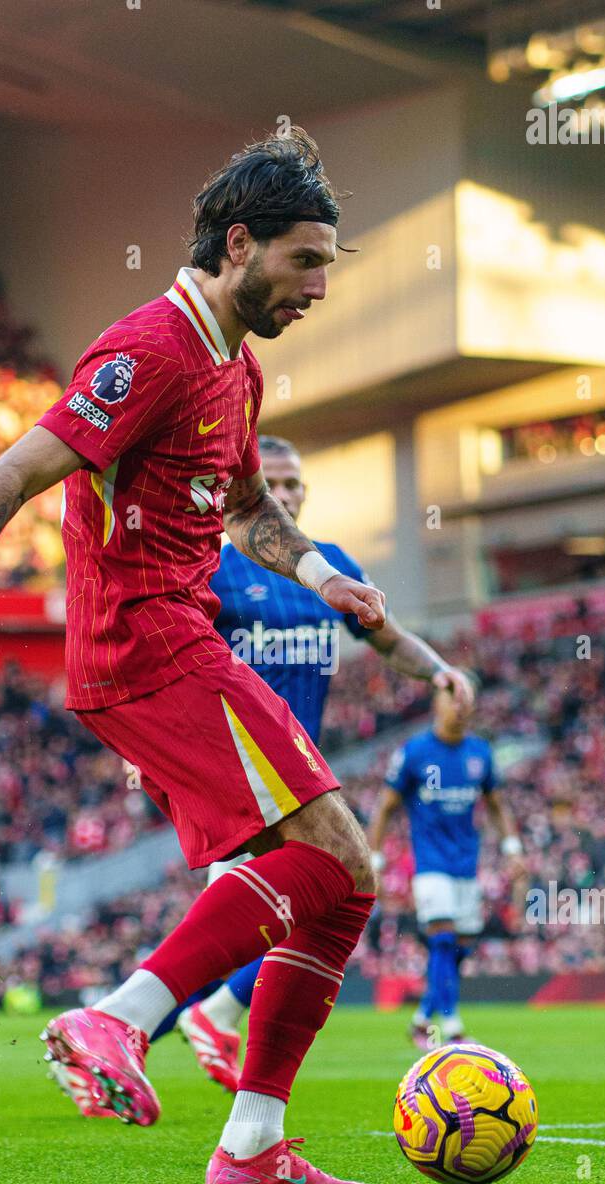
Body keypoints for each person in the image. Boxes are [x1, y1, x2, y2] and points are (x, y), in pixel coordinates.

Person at [0, 127, 392, 1184]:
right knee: (335, 851)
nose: (317, 289)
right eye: (304, 262)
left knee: (345, 880)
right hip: (145, 643)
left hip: (179, 638)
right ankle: (118, 1019)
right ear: (239, 244)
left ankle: (251, 1144)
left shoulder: (234, 368)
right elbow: (17, 469)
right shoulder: (149, 350)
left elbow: (248, 516)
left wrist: (320, 578)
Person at [163, 434, 473, 1089]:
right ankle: (191, 1017)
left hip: (301, 773)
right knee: (324, 892)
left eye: (295, 482)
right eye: (270, 482)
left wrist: (441, 669)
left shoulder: (329, 567)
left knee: (254, 924)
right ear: (239, 494)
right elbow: (172, 660)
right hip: (237, 767)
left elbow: (387, 638)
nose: (286, 494)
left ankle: (126, 1022)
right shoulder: (212, 569)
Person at [367, 678, 525, 1046]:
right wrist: (374, 860)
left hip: (466, 865)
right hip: (430, 864)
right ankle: (451, 1028)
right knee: (443, 939)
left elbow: (498, 805)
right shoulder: (415, 752)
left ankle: (423, 1018)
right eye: (450, 697)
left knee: (461, 946)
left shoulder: (480, 754)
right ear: (436, 703)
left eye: (464, 698)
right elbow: (386, 807)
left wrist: (513, 849)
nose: (458, 705)